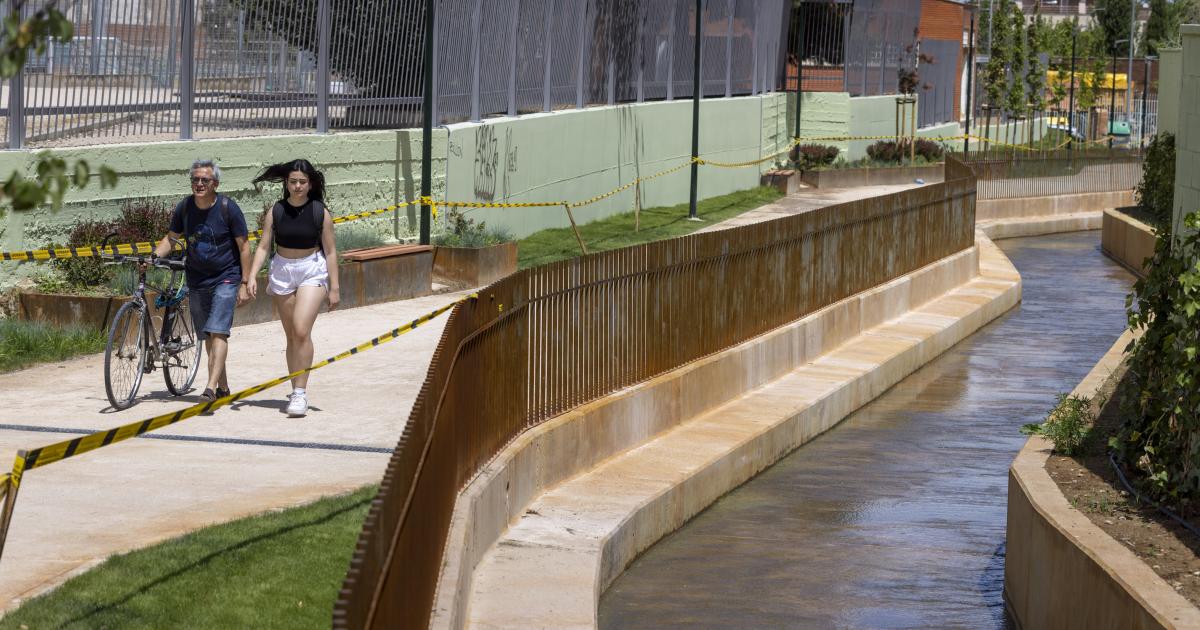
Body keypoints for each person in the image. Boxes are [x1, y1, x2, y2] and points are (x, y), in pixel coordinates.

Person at [246, 159, 340, 418]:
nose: (297, 186)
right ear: (286, 183)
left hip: (312, 268)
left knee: (301, 330)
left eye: (302, 182)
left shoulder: (320, 211)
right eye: (293, 182)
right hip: (282, 270)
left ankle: (300, 392)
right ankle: (295, 389)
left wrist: (334, 288)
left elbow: (331, 251)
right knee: (291, 337)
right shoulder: (276, 210)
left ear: (310, 184)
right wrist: (252, 276)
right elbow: (263, 246)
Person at [152, 159, 251, 402]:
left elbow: (244, 246)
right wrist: (153, 257)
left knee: (219, 331)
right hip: (196, 280)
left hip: (226, 277)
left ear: (215, 183)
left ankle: (209, 388)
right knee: (207, 335)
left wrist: (245, 282)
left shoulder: (228, 208)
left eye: (204, 180)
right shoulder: (185, 208)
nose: (199, 183)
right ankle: (223, 387)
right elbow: (171, 238)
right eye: (195, 179)